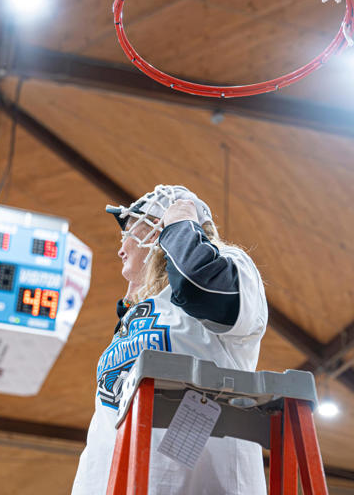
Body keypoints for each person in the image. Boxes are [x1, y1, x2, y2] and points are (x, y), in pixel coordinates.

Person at [71, 185, 268, 495]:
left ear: (158, 228)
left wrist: (181, 220)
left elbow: (198, 288)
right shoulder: (139, 311)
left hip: (195, 484)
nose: (121, 248)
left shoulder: (229, 262)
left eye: (130, 232)